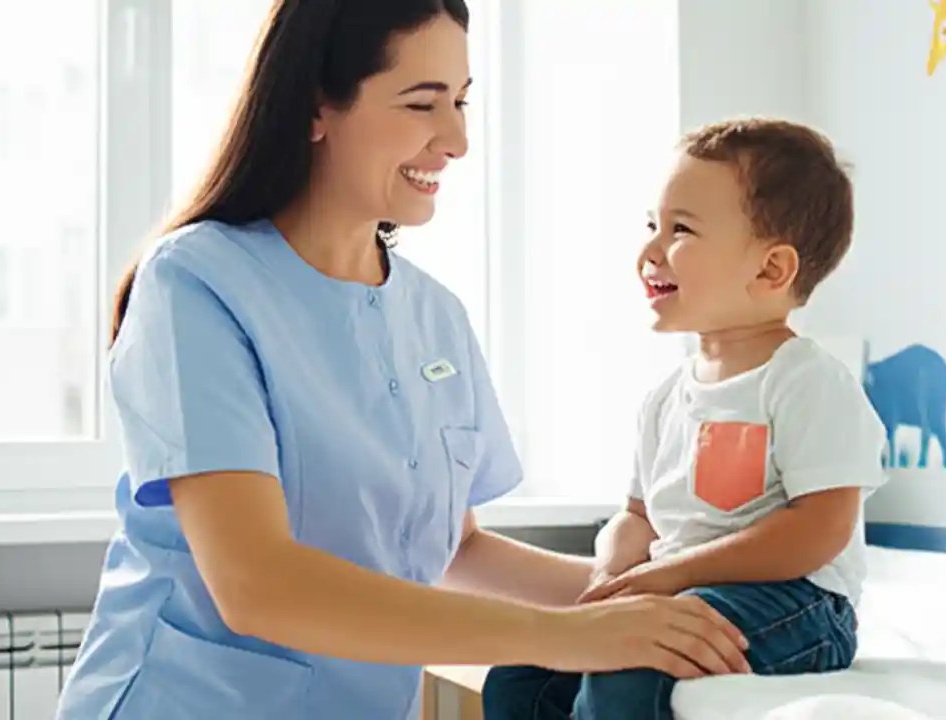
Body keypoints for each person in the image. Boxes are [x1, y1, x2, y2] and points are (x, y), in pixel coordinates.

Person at [53, 2, 751, 718]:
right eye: (423, 103)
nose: (457, 139)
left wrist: (666, 599)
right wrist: (570, 637)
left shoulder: (434, 315)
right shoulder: (196, 284)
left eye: (462, 101)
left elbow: (454, 550)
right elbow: (256, 583)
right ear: (315, 108)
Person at [482, 118, 890, 719]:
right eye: (652, 225)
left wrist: (667, 576)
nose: (650, 251)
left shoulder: (805, 380)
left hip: (799, 603)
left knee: (633, 660)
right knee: (521, 673)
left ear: (772, 270)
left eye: (681, 230)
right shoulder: (665, 398)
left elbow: (817, 531)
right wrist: (616, 571)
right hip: (683, 587)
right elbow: (640, 516)